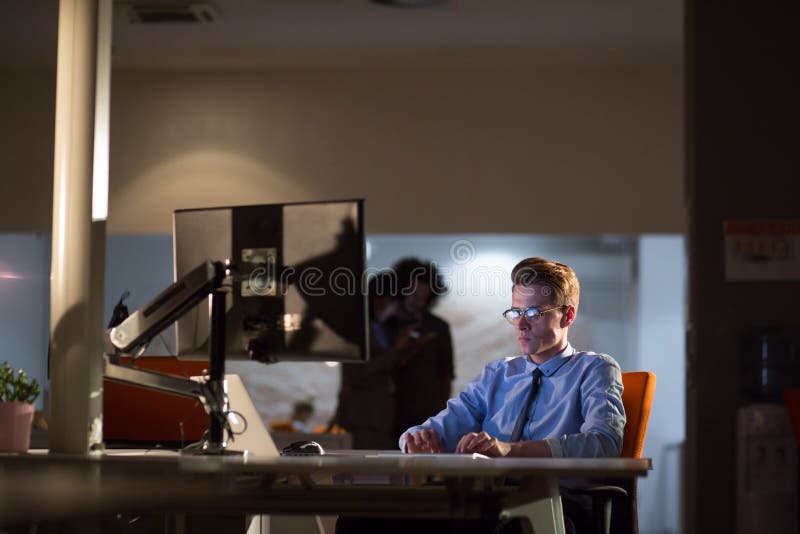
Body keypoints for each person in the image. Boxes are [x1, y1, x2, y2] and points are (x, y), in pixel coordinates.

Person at [400, 256, 625, 458]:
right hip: (493, 496)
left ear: (567, 316)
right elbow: (440, 425)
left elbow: (604, 443)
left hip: (558, 497)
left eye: (533, 313)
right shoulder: (497, 373)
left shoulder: (595, 369)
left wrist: (510, 450)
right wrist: (415, 438)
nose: (521, 324)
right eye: (516, 312)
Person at [391, 258, 455, 442]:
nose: (415, 300)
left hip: (426, 411)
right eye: (411, 293)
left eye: (421, 296)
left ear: (430, 297)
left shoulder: (438, 327)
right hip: (389, 413)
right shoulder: (388, 323)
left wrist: (441, 416)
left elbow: (446, 374)